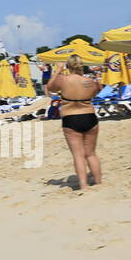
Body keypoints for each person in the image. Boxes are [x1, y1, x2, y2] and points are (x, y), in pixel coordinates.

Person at [46, 61, 102, 191]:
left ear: (68, 66)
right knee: (91, 154)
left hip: (70, 118)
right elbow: (97, 90)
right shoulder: (89, 81)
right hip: (89, 116)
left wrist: (58, 70)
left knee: (78, 155)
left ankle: (83, 185)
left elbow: (50, 87)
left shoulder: (63, 80)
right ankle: (99, 182)